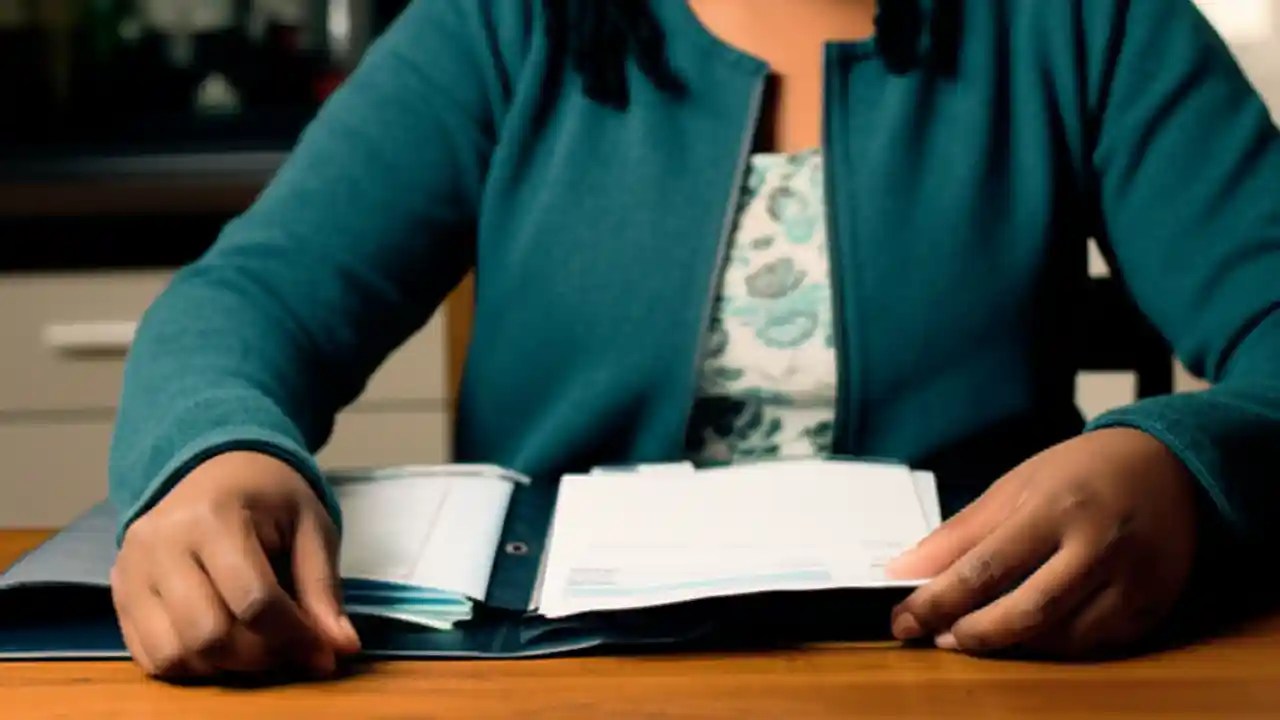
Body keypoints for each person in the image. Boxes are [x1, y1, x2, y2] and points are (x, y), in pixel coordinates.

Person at [105, 0, 1280, 679]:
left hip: (972, 669)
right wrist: (217, 454)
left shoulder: (1091, 20)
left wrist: (1184, 461)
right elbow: (244, 306)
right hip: (550, 685)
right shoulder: (500, 23)